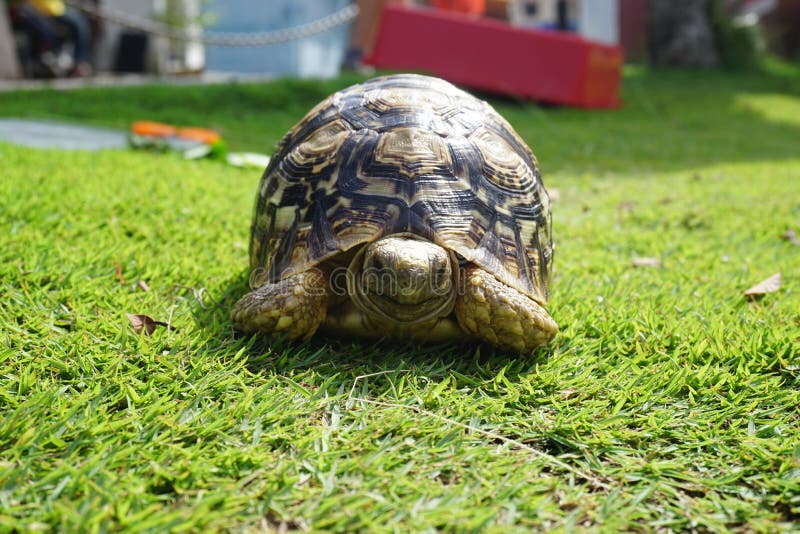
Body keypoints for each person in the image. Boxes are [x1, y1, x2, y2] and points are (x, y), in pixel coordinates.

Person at [27, 0, 93, 76]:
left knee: (79, 24)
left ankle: (76, 63)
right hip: (50, 9)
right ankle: (80, 62)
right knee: (80, 25)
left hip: (52, 7)